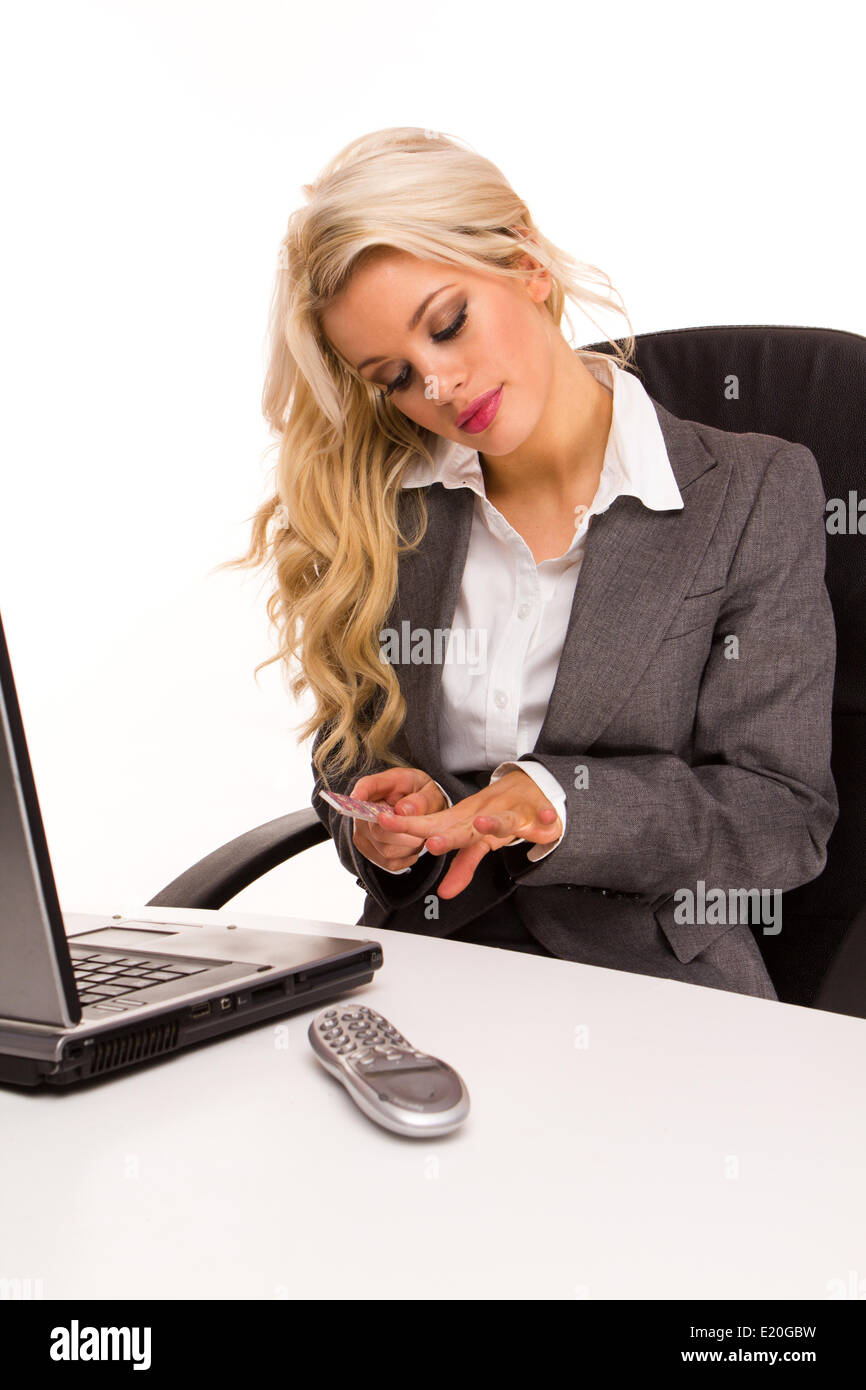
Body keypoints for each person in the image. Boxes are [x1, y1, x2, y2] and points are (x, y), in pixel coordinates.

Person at [223, 126, 838, 999]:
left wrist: (559, 804)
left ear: (525, 263)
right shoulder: (393, 506)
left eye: (449, 325)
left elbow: (783, 818)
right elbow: (348, 757)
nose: (436, 387)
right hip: (424, 974)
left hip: (652, 995)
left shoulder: (751, 491)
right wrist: (377, 821)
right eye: (394, 374)